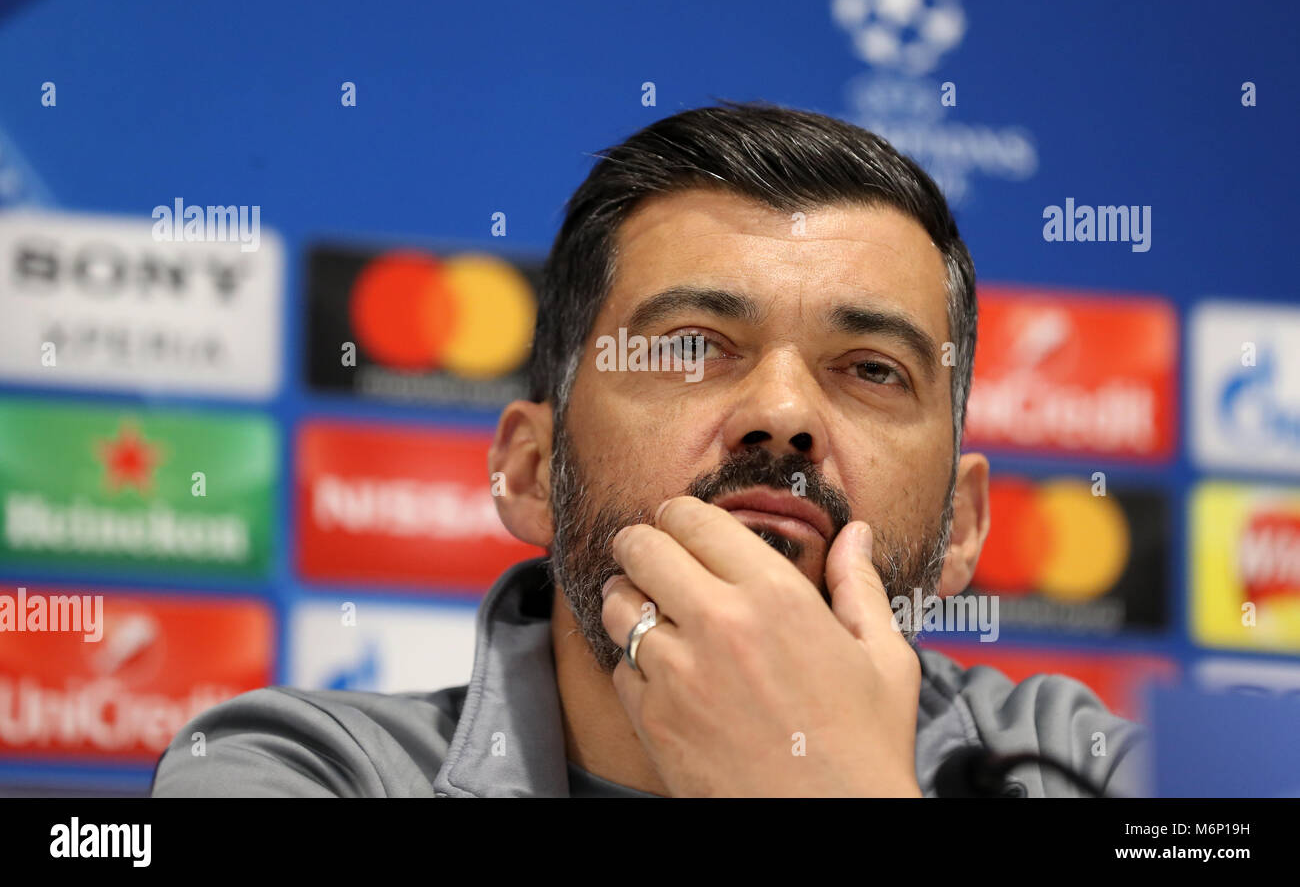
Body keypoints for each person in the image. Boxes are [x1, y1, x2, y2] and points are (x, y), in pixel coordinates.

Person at [151, 101, 1148, 797]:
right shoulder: (297, 769)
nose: (784, 413)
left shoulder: (1103, 772)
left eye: (872, 368)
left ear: (963, 527)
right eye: (690, 349)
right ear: (532, 472)